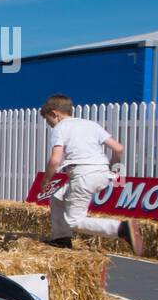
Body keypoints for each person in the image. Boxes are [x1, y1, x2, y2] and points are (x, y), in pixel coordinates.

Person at [38, 94, 143, 255]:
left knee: (74, 221)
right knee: (57, 198)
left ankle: (121, 229)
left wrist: (45, 181)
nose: (49, 125)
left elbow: (55, 160)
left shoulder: (61, 127)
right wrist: (114, 170)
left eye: (48, 120)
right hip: (101, 173)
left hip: (83, 175)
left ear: (55, 114)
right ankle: (62, 238)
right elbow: (118, 148)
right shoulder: (90, 124)